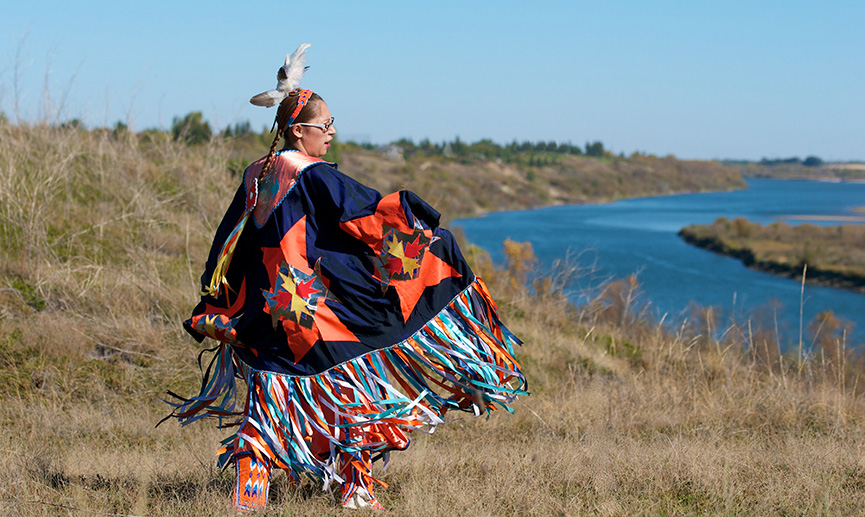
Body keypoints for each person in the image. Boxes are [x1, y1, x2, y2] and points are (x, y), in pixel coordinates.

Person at [165, 44, 527, 511]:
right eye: (325, 124)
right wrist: (428, 237)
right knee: (351, 392)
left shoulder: (257, 173)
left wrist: (220, 297)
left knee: (273, 395)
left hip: (270, 308)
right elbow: (369, 216)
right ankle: (355, 490)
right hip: (313, 310)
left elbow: (226, 242)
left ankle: (250, 494)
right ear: (299, 130)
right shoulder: (312, 174)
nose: (332, 132)